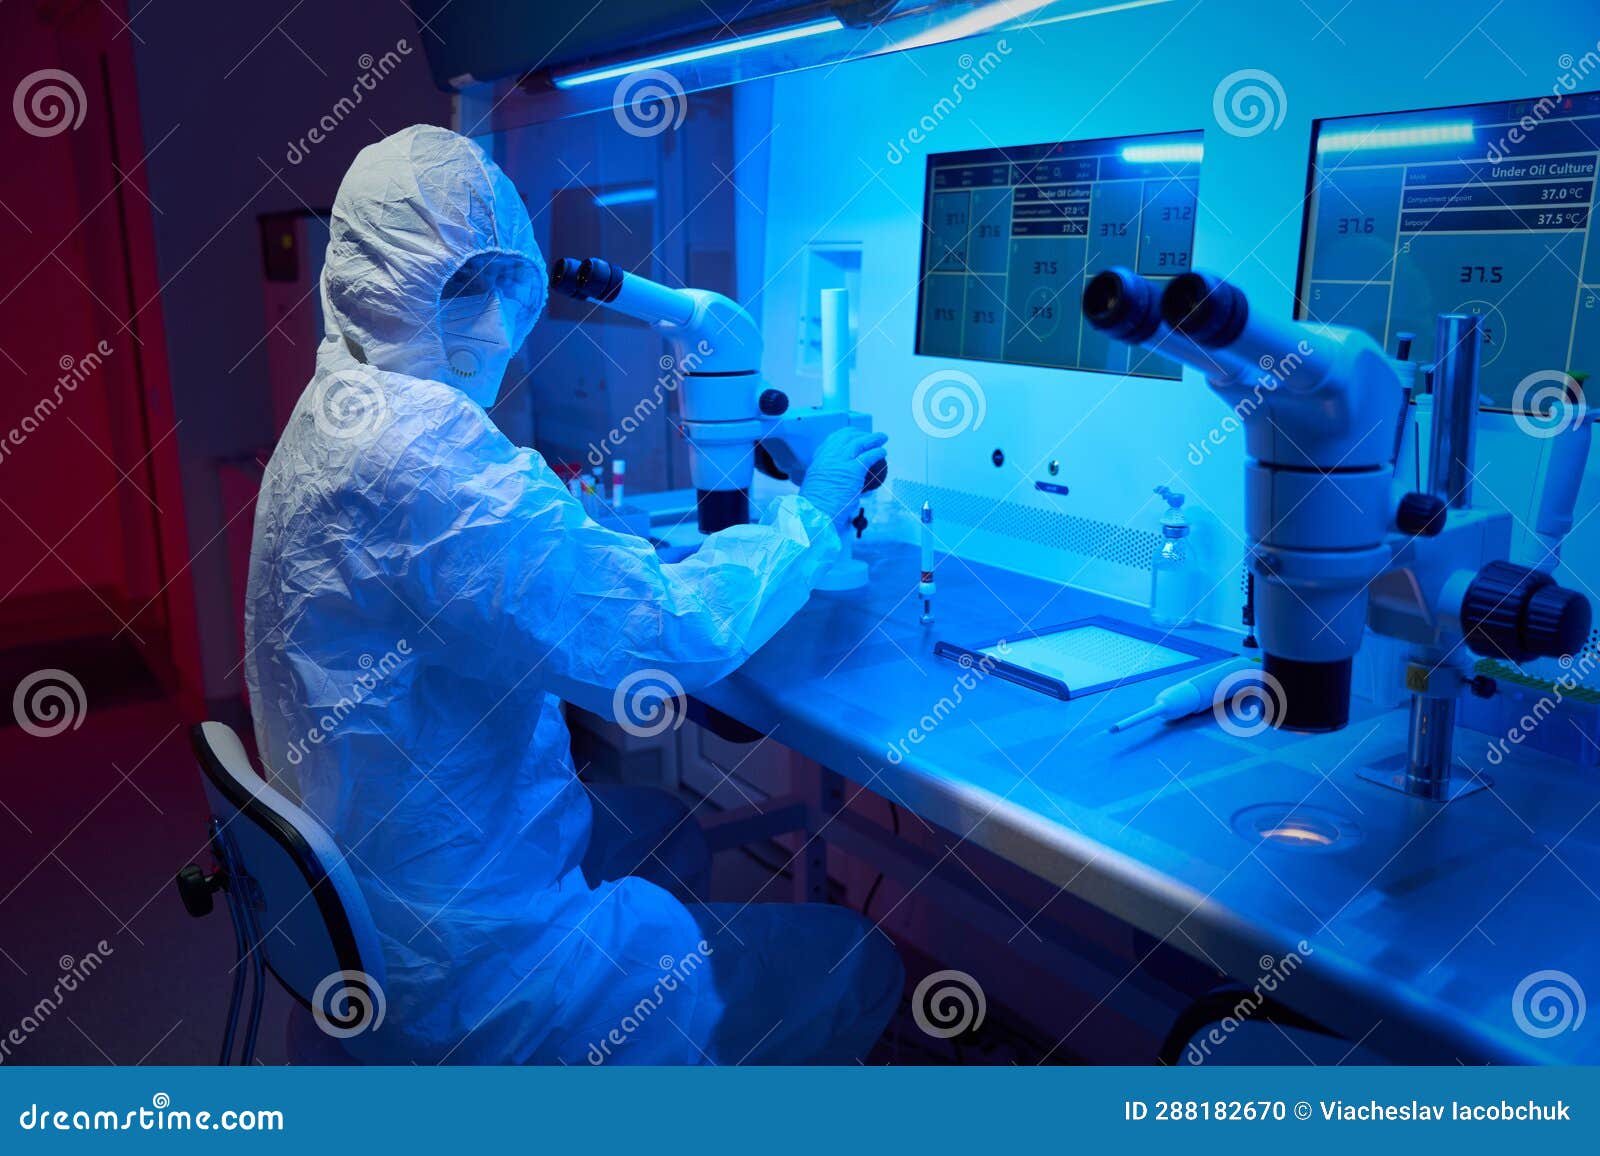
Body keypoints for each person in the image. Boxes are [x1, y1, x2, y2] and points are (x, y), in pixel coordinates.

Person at [243, 125, 901, 1064]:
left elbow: (516, 583)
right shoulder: (423, 455)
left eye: (499, 280)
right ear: (376, 281)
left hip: (383, 923)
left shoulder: (332, 411)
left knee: (669, 834)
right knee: (857, 958)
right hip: (481, 988)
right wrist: (812, 516)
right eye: (464, 282)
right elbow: (668, 638)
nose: (495, 313)